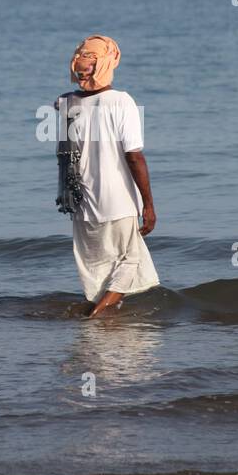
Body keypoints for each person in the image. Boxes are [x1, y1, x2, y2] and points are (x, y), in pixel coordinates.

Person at [57, 34, 159, 317]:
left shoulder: (66, 104)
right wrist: (148, 205)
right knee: (130, 262)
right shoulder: (121, 101)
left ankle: (99, 328)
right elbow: (134, 156)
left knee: (102, 271)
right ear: (108, 64)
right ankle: (97, 319)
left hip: (82, 205)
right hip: (117, 202)